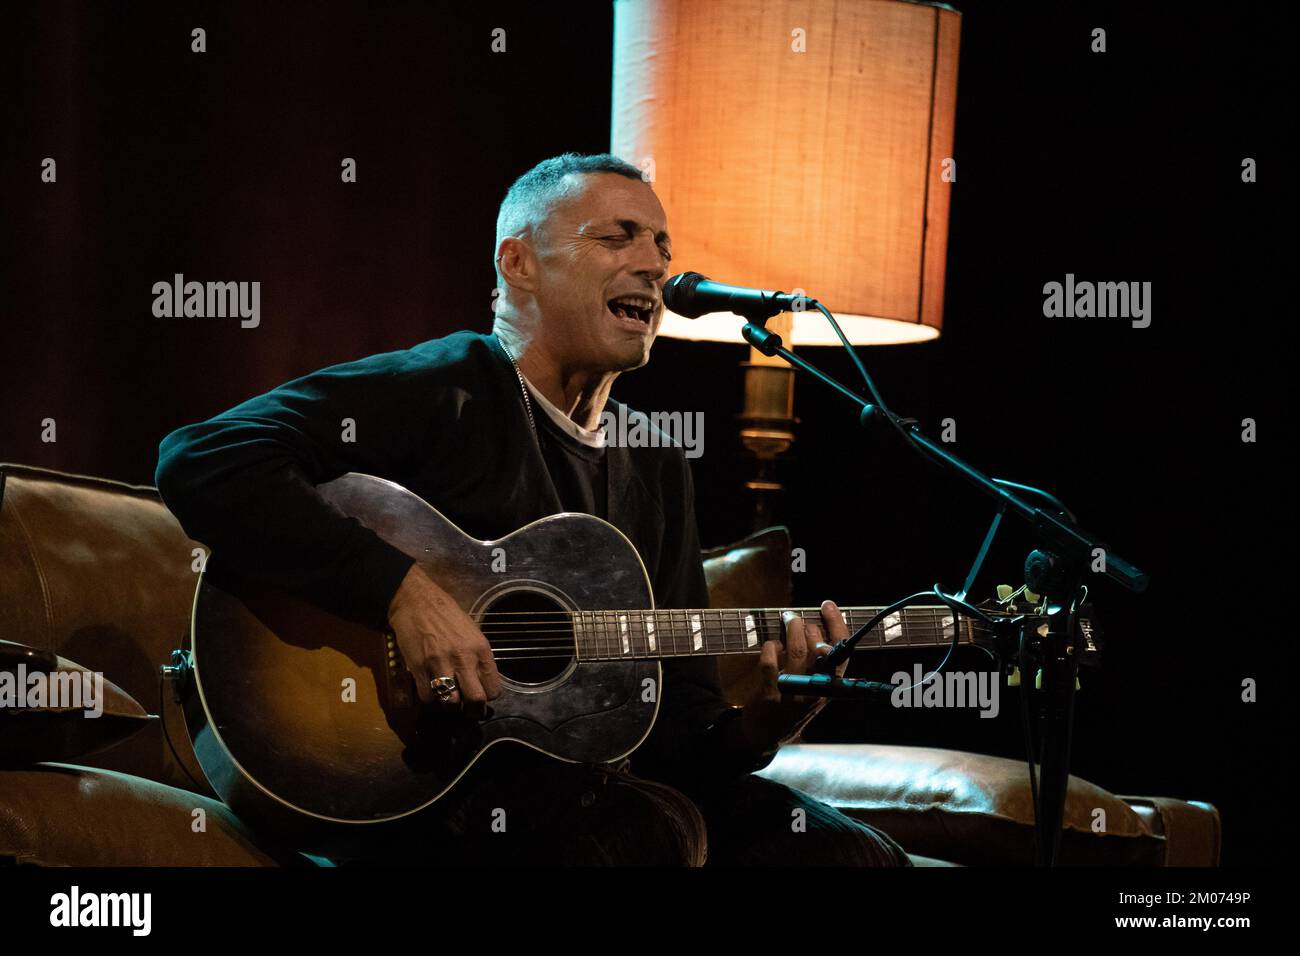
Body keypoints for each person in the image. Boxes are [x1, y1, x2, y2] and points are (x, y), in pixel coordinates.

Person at [156, 152, 910, 866]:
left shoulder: (654, 462)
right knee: (645, 837)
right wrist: (401, 592)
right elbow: (201, 459)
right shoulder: (444, 388)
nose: (652, 264)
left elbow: (676, 727)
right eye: (618, 237)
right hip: (430, 786)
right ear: (518, 262)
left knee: (851, 854)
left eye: (661, 247)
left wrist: (763, 726)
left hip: (587, 797)